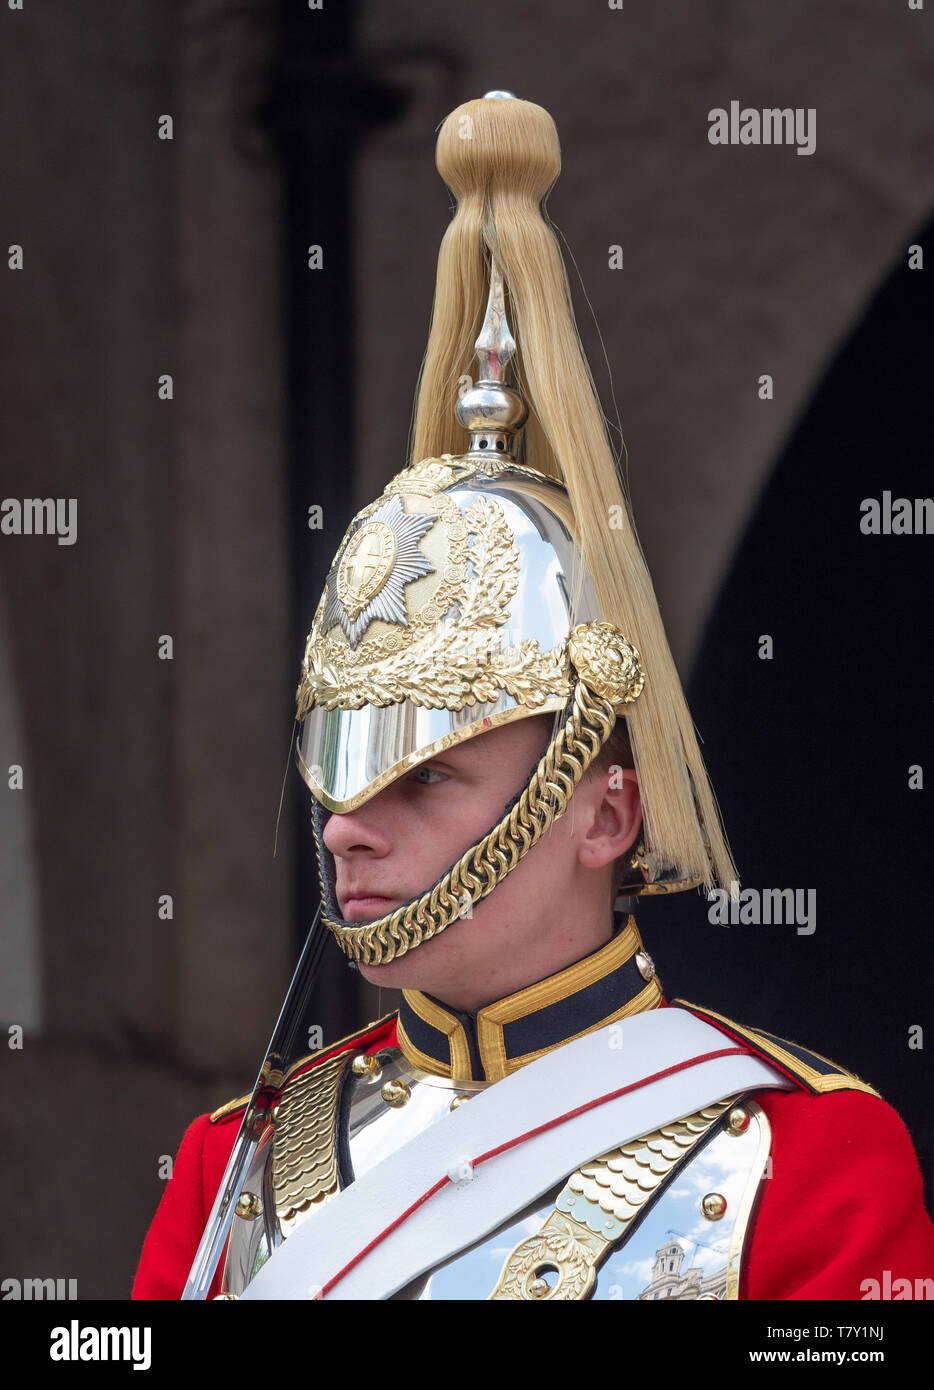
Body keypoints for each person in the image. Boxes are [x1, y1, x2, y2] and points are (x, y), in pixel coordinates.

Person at [132, 93, 934, 1302]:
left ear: (603, 813)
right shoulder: (233, 1165)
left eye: (429, 773)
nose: (351, 822)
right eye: (344, 765)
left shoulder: (803, 1159)